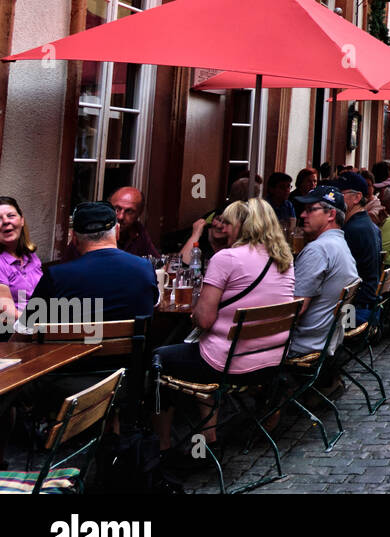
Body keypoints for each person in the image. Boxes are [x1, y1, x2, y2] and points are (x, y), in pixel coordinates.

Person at [152, 198, 296, 449]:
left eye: (229, 224)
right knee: (197, 349)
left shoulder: (226, 258)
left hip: (230, 362)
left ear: (243, 226)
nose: (224, 229)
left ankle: (162, 446)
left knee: (158, 359)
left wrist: (197, 311)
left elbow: (205, 320)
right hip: (272, 360)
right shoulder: (284, 259)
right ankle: (209, 438)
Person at [26, 202, 157, 324]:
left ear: (74, 239)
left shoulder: (56, 276)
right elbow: (153, 303)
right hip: (129, 349)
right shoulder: (145, 267)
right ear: (117, 232)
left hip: (72, 349)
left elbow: (26, 326)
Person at [289, 184, 359, 356]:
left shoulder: (318, 250)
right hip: (326, 340)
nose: (302, 215)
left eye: (311, 209)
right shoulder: (340, 244)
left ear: (331, 214)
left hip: (303, 345)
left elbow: (296, 309)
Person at [334, 172, 381, 326]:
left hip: (353, 311)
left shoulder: (353, 230)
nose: (335, 198)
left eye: (340, 194)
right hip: (366, 303)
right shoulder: (366, 224)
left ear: (357, 197)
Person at [0, 196, 41, 324]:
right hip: (13, 334)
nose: (6, 221)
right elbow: (7, 314)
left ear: (22, 220)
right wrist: (40, 324)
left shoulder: (30, 255)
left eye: (11, 215)